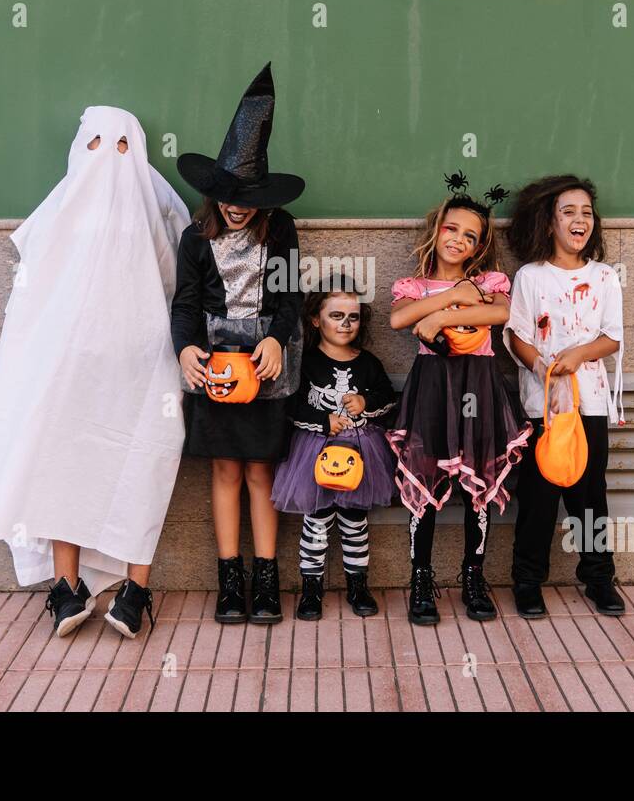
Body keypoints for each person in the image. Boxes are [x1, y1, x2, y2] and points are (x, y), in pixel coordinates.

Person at [0, 106, 189, 640]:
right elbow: (31, 296)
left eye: (119, 147)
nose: (106, 160)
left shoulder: (152, 207)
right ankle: (67, 590)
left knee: (143, 466)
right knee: (66, 468)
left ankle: (137, 590)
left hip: (142, 372)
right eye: (94, 145)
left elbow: (173, 277)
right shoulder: (58, 211)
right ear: (77, 147)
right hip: (68, 372)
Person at [171, 63, 306, 625]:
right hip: (218, 372)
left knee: (260, 472)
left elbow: (291, 297)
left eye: (247, 196)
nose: (236, 205)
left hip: (267, 371)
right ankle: (230, 581)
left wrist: (277, 339)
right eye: (227, 195)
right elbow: (184, 304)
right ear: (213, 194)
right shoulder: (196, 239)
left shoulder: (279, 232)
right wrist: (184, 349)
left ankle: (267, 580)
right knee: (225, 470)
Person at [387, 178, 532, 625]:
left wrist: (436, 322)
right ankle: (421, 577)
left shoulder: (490, 281)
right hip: (432, 388)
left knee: (479, 490)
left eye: (470, 236)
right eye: (453, 229)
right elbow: (398, 320)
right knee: (426, 485)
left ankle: (473, 575)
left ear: (479, 246)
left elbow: (501, 312)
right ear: (437, 230)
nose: (459, 240)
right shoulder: (414, 285)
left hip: (479, 385)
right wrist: (447, 300)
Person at [504, 174, 626, 618]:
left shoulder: (604, 277)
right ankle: (527, 581)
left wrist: (578, 355)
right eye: (568, 212)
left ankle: (598, 578)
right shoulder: (530, 277)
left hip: (589, 405)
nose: (580, 220)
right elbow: (515, 335)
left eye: (587, 213)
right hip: (542, 408)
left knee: (590, 495)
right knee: (538, 498)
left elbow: (611, 336)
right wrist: (541, 365)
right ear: (549, 222)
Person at [271, 278, 398, 620]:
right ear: (315, 319)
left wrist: (365, 401)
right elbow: (292, 404)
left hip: (360, 451)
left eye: (353, 317)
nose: (345, 324)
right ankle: (311, 588)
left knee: (355, 521)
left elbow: (387, 396)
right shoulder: (306, 362)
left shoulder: (368, 362)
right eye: (336, 315)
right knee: (316, 522)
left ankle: (358, 585)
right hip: (314, 453)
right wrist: (322, 419)